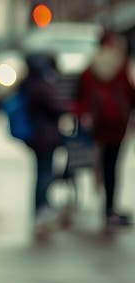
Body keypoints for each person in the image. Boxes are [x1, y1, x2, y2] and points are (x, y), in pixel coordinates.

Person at [76, 30, 134, 228]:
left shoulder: (90, 67)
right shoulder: (120, 65)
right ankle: (110, 209)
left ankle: (106, 205)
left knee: (102, 163)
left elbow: (81, 96)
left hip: (98, 124)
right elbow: (129, 93)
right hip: (118, 124)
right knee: (113, 165)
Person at [22, 53, 66, 233]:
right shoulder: (41, 86)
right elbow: (55, 107)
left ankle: (42, 204)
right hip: (44, 137)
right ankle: (41, 207)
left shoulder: (28, 84)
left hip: (38, 137)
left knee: (42, 172)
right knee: (44, 173)